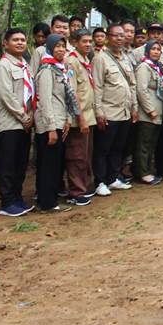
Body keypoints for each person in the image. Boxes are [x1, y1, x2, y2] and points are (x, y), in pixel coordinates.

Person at [34, 33, 79, 211]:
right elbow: (44, 100)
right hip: (49, 125)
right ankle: (46, 202)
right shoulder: (46, 70)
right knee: (48, 165)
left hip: (60, 122)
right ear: (49, 48)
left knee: (55, 164)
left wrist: (68, 120)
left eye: (63, 46)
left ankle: (51, 199)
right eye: (57, 46)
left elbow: (65, 98)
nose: (60, 49)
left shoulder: (59, 68)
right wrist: (51, 128)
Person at [0, 28, 35, 217]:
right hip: (9, 124)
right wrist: (24, 117)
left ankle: (17, 198)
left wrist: (31, 116)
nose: (20, 43)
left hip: (25, 124)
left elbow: (31, 93)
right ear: (6, 44)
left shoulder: (24, 64)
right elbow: (6, 96)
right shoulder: (3, 66)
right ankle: (7, 202)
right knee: (8, 165)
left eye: (22, 40)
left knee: (20, 163)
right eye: (15, 40)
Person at [92, 22, 138, 195]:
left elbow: (132, 84)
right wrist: (99, 112)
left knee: (118, 147)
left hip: (125, 111)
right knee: (103, 148)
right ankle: (100, 181)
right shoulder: (100, 59)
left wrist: (134, 107)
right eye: (115, 35)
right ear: (107, 38)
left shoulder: (126, 57)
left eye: (122, 35)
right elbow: (97, 87)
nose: (120, 38)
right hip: (109, 111)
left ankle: (113, 178)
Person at [64, 29, 95, 204]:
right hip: (78, 118)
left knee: (85, 155)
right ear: (75, 42)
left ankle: (83, 187)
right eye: (84, 41)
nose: (88, 44)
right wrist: (80, 118)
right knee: (76, 155)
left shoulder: (85, 60)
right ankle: (76, 192)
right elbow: (72, 92)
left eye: (90, 41)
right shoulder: (71, 62)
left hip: (89, 115)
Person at [134, 40, 163, 185]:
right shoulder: (144, 67)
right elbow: (141, 90)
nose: (156, 51)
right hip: (148, 112)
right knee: (144, 144)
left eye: (158, 49)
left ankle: (148, 170)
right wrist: (150, 110)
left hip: (158, 111)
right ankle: (143, 173)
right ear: (147, 51)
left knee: (152, 144)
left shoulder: (157, 67)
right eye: (153, 49)